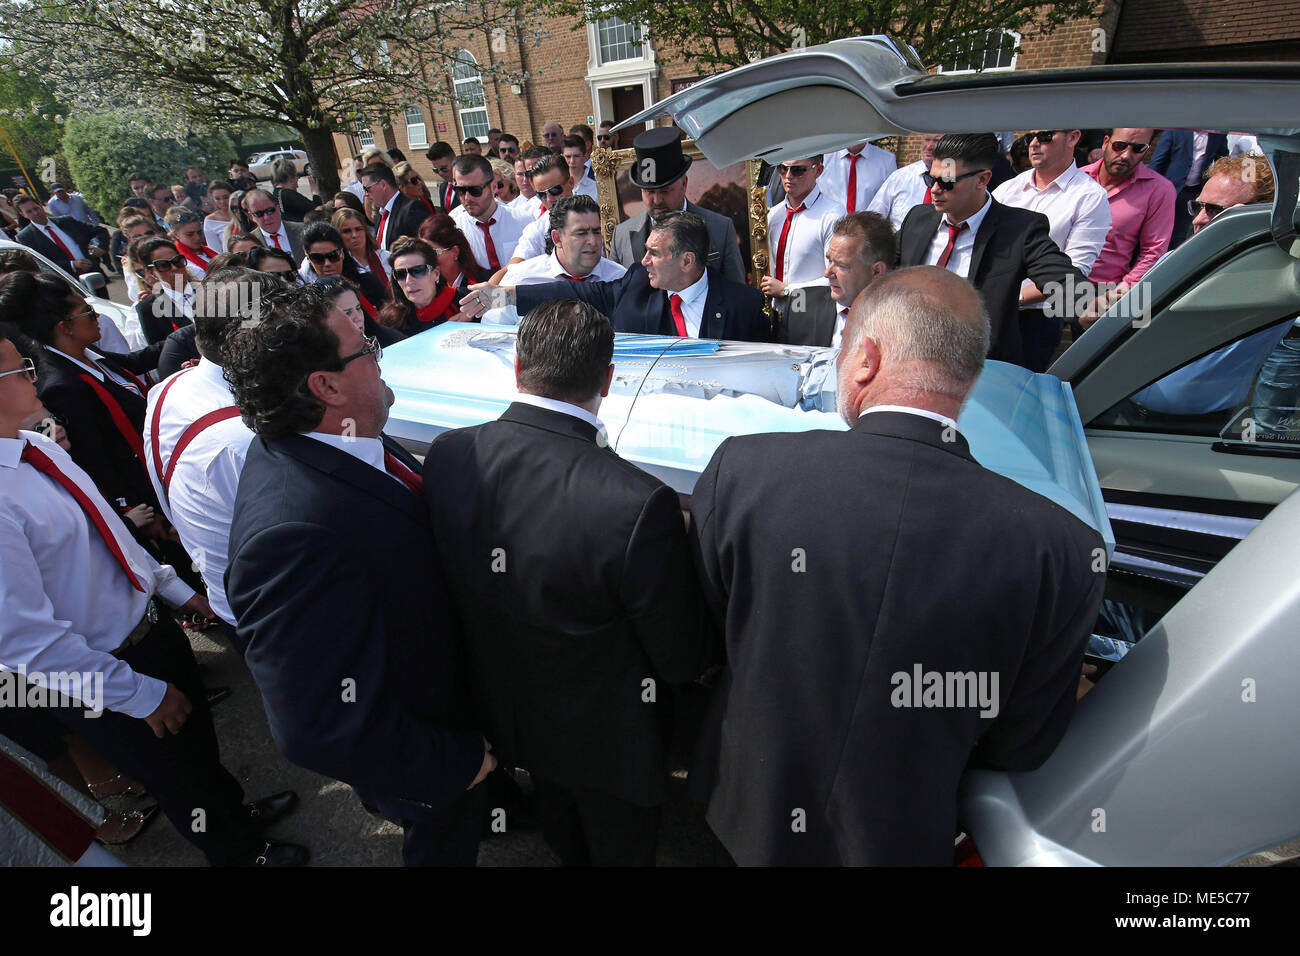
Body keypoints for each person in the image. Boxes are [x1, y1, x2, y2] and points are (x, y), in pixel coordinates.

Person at [688, 266, 1106, 865]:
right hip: (908, 834)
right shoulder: (1061, 548)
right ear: (970, 377)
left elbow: (714, 629)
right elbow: (1024, 740)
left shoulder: (745, 470)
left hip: (741, 812)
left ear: (866, 359)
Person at [0, 321, 307, 866]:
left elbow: (108, 536)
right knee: (176, 776)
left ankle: (233, 816)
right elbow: (24, 641)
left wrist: (174, 592)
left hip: (148, 632)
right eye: (19, 370)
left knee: (198, 752)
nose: (35, 379)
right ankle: (238, 854)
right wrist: (135, 694)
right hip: (105, 670)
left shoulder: (33, 449)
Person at [424, 298, 711, 865]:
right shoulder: (636, 501)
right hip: (607, 740)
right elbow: (677, 653)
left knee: (562, 827)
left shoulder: (451, 454)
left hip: (507, 709)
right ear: (607, 378)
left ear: (517, 368)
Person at [222, 285, 494, 866]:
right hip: (431, 749)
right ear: (327, 386)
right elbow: (314, 723)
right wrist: (454, 764)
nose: (379, 355)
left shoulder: (342, 440)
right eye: (365, 347)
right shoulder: (292, 534)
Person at [142, 267, 283, 644]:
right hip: (275, 614)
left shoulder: (169, 387)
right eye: (285, 322)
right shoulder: (247, 432)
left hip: (232, 602)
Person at [897, 134, 1084, 369]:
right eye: (929, 179)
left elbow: (1059, 277)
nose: (934, 190)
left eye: (946, 181)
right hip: (908, 361)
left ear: (982, 179)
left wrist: (1088, 305)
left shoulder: (1019, 230)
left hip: (979, 370)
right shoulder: (917, 219)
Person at [466, 209, 769, 341]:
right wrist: (504, 295)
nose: (643, 260)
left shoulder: (744, 306)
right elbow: (575, 294)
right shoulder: (637, 285)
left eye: (655, 253)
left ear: (687, 260)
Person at [994, 129, 1112, 372]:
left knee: (1018, 392)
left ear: (1073, 138)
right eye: (1030, 138)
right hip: (992, 310)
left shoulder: (1089, 196)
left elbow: (1073, 270)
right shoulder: (1007, 189)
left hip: (1037, 319)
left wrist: (1012, 298)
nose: (1035, 144)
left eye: (1046, 136)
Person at [610, 128, 746, 285]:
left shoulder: (720, 229)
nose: (657, 199)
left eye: (665, 191)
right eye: (649, 192)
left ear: (684, 184)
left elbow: (736, 293)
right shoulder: (622, 236)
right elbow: (618, 297)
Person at [484, 196, 626, 324]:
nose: (592, 241)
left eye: (596, 232)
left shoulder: (619, 278)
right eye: (581, 233)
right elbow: (492, 331)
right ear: (557, 238)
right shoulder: (519, 277)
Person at [1081, 128, 1176, 301]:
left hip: (1109, 290)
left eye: (1137, 148)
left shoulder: (1160, 189)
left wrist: (1120, 294)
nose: (1125, 155)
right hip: (1054, 286)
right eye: (1120, 146)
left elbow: (1154, 251)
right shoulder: (1077, 178)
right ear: (1105, 142)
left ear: (1147, 149)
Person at [781, 210, 894, 348]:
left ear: (876, 271)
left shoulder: (903, 324)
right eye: (829, 260)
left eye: (841, 265)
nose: (827, 273)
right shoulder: (800, 303)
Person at [760, 156, 844, 302]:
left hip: (810, 314)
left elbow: (837, 276)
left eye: (798, 170)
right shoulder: (773, 215)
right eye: (783, 168)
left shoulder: (833, 216)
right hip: (773, 313)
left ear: (818, 170)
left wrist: (787, 290)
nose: (788, 176)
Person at [1148, 130, 1229, 248]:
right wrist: (1152, 190)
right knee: (1156, 229)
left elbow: (1222, 161)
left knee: (1180, 233)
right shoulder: (1176, 132)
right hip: (1169, 189)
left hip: (1193, 192)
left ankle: (1171, 258)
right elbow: (1158, 162)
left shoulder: (1218, 135)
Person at [450, 154, 528, 274]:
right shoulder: (453, 228)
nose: (467, 198)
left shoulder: (524, 221)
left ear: (494, 187)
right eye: (460, 191)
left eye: (475, 190)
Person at [298, 221, 389, 322]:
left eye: (333, 255)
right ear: (309, 259)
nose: (327, 263)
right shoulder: (310, 301)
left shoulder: (370, 283)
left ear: (342, 253)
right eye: (318, 258)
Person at [379, 236, 465, 333]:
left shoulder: (467, 301)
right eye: (401, 274)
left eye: (417, 271)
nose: (409, 281)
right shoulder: (392, 321)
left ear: (436, 274)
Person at [13, 195, 104, 277]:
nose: (35, 213)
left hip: (94, 273)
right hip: (67, 282)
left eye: (36, 208)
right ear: (23, 214)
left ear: (41, 206)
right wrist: (72, 264)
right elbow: (41, 264)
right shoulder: (25, 237)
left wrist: (101, 247)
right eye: (29, 211)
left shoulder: (66, 221)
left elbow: (100, 230)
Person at [508, 154, 574, 265]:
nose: (549, 199)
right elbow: (512, 267)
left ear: (571, 183)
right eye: (541, 194)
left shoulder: (600, 215)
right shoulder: (537, 230)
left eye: (554, 190)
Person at [867, 133, 944, 229]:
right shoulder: (899, 178)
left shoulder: (955, 182)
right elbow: (872, 219)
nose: (929, 146)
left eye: (936, 141)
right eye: (926, 140)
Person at [133, 236, 196, 344]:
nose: (175, 268)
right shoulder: (148, 308)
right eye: (163, 265)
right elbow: (161, 350)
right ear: (152, 272)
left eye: (177, 261)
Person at [416, 213, 483, 303]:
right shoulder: (425, 288)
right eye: (422, 253)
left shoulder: (485, 283)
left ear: (454, 252)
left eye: (432, 252)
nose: (426, 260)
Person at [361, 163, 427, 250]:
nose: (366, 194)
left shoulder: (412, 209)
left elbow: (425, 247)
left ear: (383, 185)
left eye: (367, 189)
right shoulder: (382, 214)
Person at [818, 141, 896, 215]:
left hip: (869, 226)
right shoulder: (824, 157)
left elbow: (890, 202)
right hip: (829, 226)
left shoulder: (887, 160)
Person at [334, 207, 390, 289]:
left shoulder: (385, 257)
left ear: (365, 231)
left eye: (358, 229)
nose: (354, 235)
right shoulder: (338, 266)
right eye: (347, 231)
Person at [243, 188, 305, 261]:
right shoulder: (249, 243)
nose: (266, 217)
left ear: (278, 209)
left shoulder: (304, 230)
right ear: (251, 216)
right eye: (258, 214)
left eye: (270, 211)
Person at [164, 207, 217, 279]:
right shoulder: (178, 263)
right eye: (190, 234)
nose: (197, 238)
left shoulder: (208, 251)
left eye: (199, 232)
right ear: (176, 234)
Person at [270, 157, 319, 223]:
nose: (298, 179)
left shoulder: (276, 193)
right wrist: (315, 192)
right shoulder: (288, 195)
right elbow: (317, 211)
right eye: (296, 175)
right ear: (290, 178)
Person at [425, 142, 461, 211]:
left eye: (444, 169)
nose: (440, 173)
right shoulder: (443, 187)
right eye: (436, 170)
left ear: (455, 161)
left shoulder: (467, 185)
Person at [561, 134, 598, 199]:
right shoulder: (557, 188)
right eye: (568, 157)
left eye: (576, 156)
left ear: (584, 156)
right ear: (562, 157)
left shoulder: (596, 187)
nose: (572, 161)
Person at [203, 179, 234, 254]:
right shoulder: (210, 221)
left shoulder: (241, 213)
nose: (222, 201)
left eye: (226, 197)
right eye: (217, 198)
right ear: (213, 199)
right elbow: (215, 251)